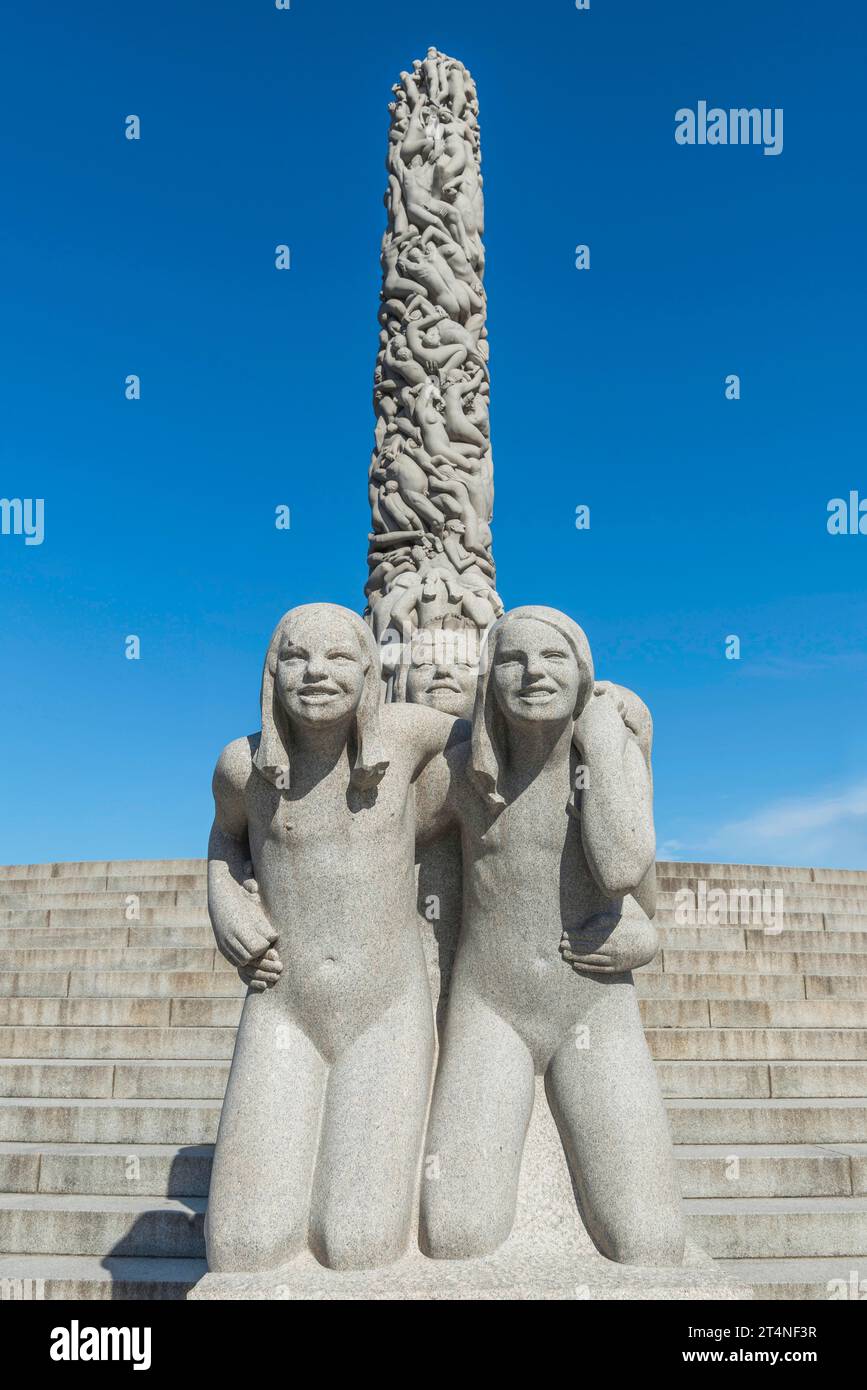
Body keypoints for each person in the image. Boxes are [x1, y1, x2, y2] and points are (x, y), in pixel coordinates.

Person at [415, 605, 686, 1266]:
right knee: (457, 1231)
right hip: (489, 1013)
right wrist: (240, 867)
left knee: (647, 1239)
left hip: (593, 1009)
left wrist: (604, 745)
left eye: (553, 657)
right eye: (512, 659)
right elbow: (362, 832)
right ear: (491, 678)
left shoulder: (605, 760)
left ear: (583, 674)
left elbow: (626, 871)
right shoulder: (459, 772)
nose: (533, 673)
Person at [204, 603, 462, 1273]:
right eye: (295, 657)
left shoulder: (405, 737)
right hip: (283, 1008)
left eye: (339, 657)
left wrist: (612, 719)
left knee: (357, 1244)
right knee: (244, 1246)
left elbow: (512, 737)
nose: (315, 672)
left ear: (369, 672)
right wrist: (223, 895)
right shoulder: (243, 765)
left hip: (385, 1013)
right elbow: (226, 839)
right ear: (271, 674)